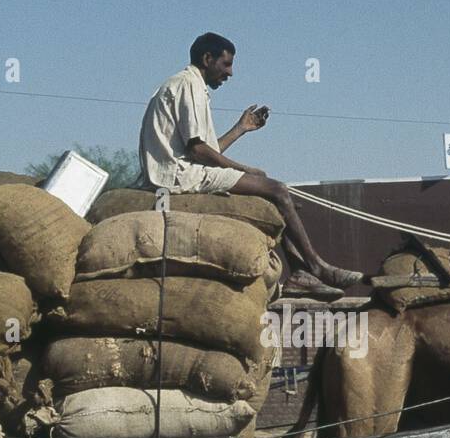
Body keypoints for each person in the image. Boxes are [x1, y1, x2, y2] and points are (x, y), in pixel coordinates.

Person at [135, 32, 363, 299]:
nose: (230, 73)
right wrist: (243, 169)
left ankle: (302, 274)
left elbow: (206, 149)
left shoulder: (186, 85)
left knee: (269, 188)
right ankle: (316, 266)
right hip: (179, 176)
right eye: (226, 64)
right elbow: (198, 151)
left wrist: (240, 129)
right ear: (207, 59)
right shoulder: (189, 85)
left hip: (183, 169)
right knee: (276, 189)